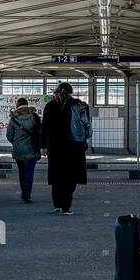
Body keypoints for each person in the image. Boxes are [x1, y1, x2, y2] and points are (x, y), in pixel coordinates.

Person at [41, 82, 89, 215]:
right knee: (71, 177)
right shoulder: (78, 104)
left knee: (57, 175)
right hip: (74, 145)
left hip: (55, 146)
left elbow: (44, 127)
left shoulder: (50, 106)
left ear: (56, 91)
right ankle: (66, 207)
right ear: (71, 91)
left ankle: (57, 204)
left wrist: (43, 146)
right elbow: (86, 125)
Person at [6, 98, 42, 203]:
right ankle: (28, 194)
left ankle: (23, 193)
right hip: (32, 149)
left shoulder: (13, 119)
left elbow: (9, 136)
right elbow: (40, 133)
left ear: (17, 107)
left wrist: (17, 142)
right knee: (30, 172)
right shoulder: (35, 117)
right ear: (27, 105)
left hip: (19, 150)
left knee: (22, 173)